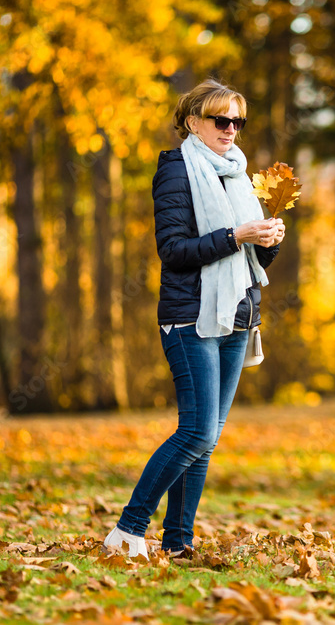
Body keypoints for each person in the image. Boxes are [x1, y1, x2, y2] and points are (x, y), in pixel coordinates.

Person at [103, 78, 285, 559]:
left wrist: (267, 241)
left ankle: (179, 542)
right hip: (191, 319)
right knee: (197, 431)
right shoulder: (177, 171)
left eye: (237, 121)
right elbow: (174, 251)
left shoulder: (238, 175)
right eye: (220, 119)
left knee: (207, 440)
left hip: (237, 316)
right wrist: (236, 234)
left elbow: (251, 262)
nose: (231, 129)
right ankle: (127, 530)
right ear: (192, 122)